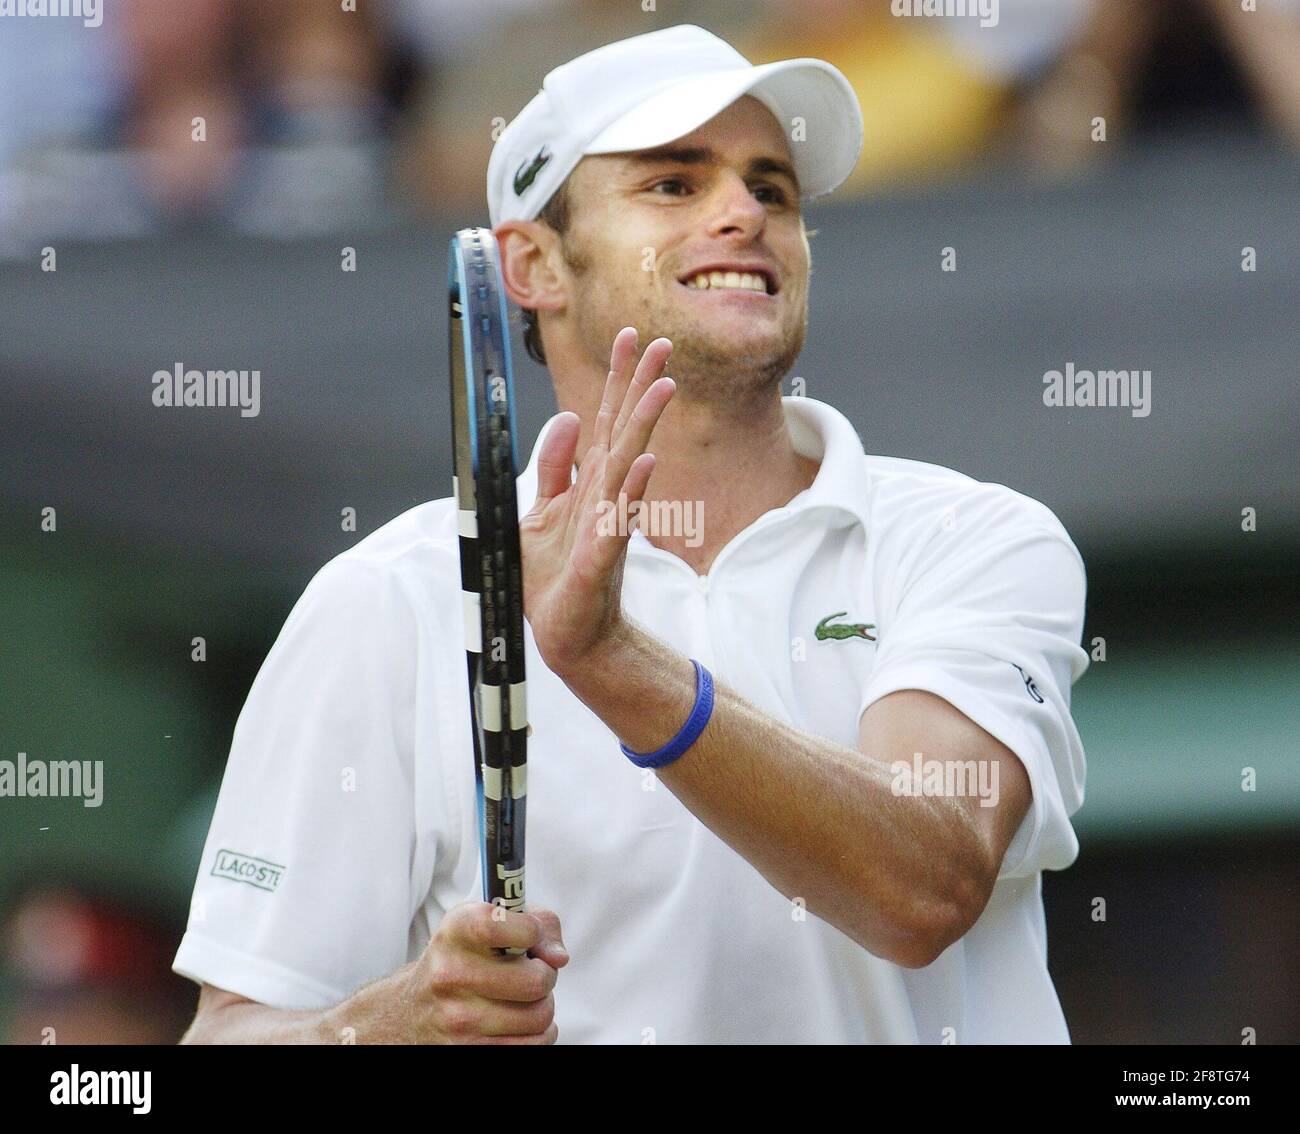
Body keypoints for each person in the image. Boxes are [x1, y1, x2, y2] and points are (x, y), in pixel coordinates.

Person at [174, 24, 1088, 1045]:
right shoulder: (382, 600)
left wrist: (608, 660)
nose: (744, 213)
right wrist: (382, 1026)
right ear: (533, 265)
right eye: (674, 185)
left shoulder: (975, 539)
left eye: (771, 188)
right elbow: (230, 1039)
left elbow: (924, 885)